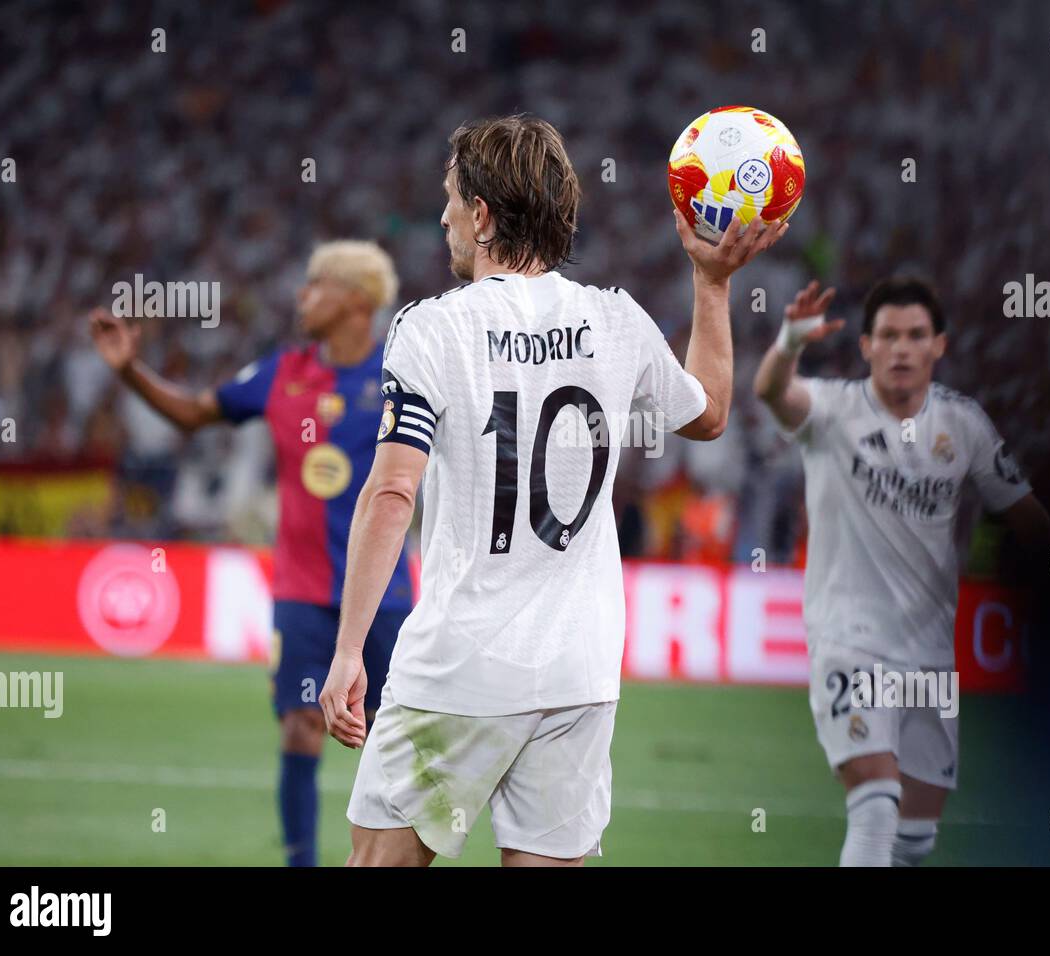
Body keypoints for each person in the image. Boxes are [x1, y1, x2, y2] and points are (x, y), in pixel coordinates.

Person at [319, 114, 786, 866]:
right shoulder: (617, 320)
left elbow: (391, 494)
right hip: (579, 670)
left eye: (450, 200)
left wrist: (347, 650)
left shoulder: (430, 329)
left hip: (460, 666)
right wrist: (711, 282)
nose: (442, 217)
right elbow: (710, 411)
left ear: (482, 214)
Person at [88, 241, 413, 866]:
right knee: (300, 726)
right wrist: (129, 370)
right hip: (302, 592)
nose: (301, 296)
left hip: (385, 594)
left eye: (315, 285)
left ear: (354, 301)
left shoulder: (400, 374)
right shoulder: (283, 371)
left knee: (395, 740)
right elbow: (194, 413)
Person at [753, 276, 1050, 866]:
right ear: (865, 346)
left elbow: (1032, 521)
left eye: (916, 335)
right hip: (849, 641)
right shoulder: (833, 411)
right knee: (875, 807)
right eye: (888, 335)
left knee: (914, 842)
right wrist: (790, 340)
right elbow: (770, 392)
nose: (901, 349)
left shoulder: (963, 426)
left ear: (939, 345)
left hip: (930, 655)